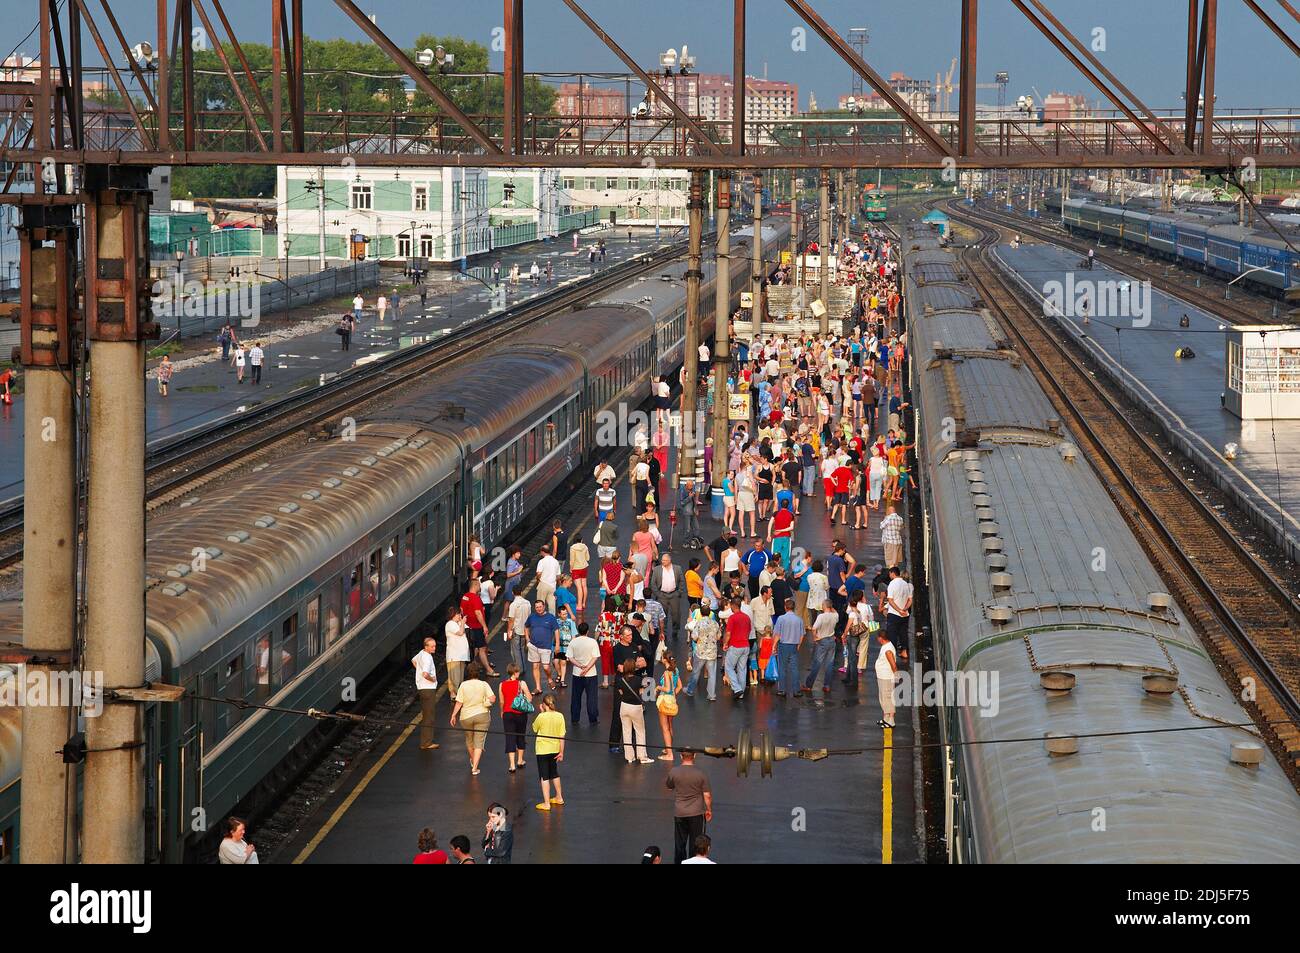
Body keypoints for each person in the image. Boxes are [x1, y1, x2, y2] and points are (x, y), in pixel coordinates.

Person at [666, 750, 712, 864]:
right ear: (694, 756)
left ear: (681, 756)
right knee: (695, 843)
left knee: (680, 843)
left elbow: (669, 786)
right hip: (696, 813)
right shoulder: (701, 773)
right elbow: (707, 795)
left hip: (680, 812)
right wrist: (709, 810)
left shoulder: (674, 771)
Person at [450, 662, 496, 776]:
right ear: (478, 673)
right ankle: (475, 768)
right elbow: (493, 698)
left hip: (466, 717)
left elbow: (459, 702)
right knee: (479, 742)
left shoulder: (463, 685)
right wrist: (487, 701)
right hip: (482, 715)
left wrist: (453, 715)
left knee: (469, 740)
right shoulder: (484, 684)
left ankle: (473, 760)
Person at [531, 694, 566, 811]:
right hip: (555, 749)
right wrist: (561, 752)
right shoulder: (560, 716)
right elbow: (562, 736)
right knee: (554, 773)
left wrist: (541, 713)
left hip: (542, 750)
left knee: (544, 776)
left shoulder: (542, 717)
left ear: (544, 705)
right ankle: (559, 797)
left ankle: (547, 803)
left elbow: (534, 728)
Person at [617, 657, 654, 764]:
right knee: (640, 731)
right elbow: (643, 689)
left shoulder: (620, 680)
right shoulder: (638, 680)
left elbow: (621, 693)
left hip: (624, 706)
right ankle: (642, 756)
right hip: (635, 707)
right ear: (634, 668)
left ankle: (629, 757)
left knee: (626, 731)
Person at [500, 663, 532, 773]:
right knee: (520, 736)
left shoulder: (502, 685)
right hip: (520, 713)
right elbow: (529, 697)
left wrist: (502, 711)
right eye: (518, 671)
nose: (519, 673)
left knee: (510, 737)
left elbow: (502, 701)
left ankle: (512, 765)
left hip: (507, 713)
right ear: (514, 672)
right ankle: (520, 760)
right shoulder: (521, 683)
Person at [567, 622, 600, 726]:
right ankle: (593, 719)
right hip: (591, 674)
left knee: (576, 697)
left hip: (577, 674)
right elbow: (595, 657)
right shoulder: (593, 642)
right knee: (592, 697)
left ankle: (575, 718)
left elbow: (570, 657)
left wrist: (580, 666)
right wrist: (586, 668)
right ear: (587, 631)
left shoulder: (573, 642)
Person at [803, 601, 838, 696]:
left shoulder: (821, 617)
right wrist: (831, 606)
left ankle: (809, 685)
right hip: (831, 640)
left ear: (824, 606)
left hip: (822, 640)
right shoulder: (835, 616)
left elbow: (814, 628)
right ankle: (827, 685)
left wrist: (815, 638)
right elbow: (835, 611)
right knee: (829, 664)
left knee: (817, 663)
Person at [685, 606, 720, 701]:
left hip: (701, 652)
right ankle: (712, 695)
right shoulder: (715, 624)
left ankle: (690, 690)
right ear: (709, 613)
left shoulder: (699, 623)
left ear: (700, 613)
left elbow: (695, 637)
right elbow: (718, 637)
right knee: (712, 674)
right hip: (712, 652)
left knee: (696, 672)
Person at [412, 633, 440, 750]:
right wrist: (432, 679)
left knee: (425, 715)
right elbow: (425, 674)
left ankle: (425, 741)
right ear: (426, 647)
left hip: (421, 688)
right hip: (428, 689)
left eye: (434, 646)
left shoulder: (421, 653)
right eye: (432, 646)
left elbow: (413, 661)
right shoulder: (428, 658)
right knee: (429, 716)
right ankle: (426, 743)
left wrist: (418, 670)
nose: (434, 648)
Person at [772, 599, 805, 697]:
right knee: (794, 668)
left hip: (783, 645)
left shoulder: (781, 619)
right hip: (794, 645)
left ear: (785, 607)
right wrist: (798, 645)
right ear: (793, 608)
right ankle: (796, 690)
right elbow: (802, 635)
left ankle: (782, 690)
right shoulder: (799, 619)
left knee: (782, 668)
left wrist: (773, 646)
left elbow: (777, 634)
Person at [525, 599, 560, 691]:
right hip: (533, 646)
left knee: (546, 667)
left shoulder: (551, 617)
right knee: (535, 666)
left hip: (546, 647)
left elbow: (556, 630)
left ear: (544, 606)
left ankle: (549, 679)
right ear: (535, 608)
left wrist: (557, 645)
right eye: (537, 607)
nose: (539, 609)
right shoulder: (532, 617)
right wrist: (527, 639)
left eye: (540, 607)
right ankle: (538, 687)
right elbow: (526, 626)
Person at [722, 598, 751, 701]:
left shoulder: (732, 618)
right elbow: (749, 631)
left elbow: (728, 633)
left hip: (735, 646)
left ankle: (737, 688)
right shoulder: (747, 617)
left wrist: (725, 643)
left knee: (729, 667)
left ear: (733, 606)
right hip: (746, 645)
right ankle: (741, 693)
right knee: (742, 669)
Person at [650, 553, 683, 643]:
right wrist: (658, 594)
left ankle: (675, 630)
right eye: (662, 560)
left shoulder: (677, 568)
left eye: (664, 560)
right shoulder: (657, 570)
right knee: (663, 615)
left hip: (674, 595)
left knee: (676, 615)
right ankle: (663, 632)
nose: (662, 561)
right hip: (662, 595)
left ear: (669, 561)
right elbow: (653, 584)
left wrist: (679, 592)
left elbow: (681, 582)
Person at [655, 653, 682, 761]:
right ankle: (668, 748)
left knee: (665, 728)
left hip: (664, 701)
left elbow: (667, 688)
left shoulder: (667, 672)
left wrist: (658, 687)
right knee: (670, 726)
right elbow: (679, 686)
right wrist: (673, 695)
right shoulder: (676, 670)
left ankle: (669, 754)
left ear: (665, 660)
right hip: (672, 701)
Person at [885, 565, 913, 662]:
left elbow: (890, 600)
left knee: (892, 634)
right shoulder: (906, 584)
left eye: (889, 574)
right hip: (905, 615)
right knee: (903, 633)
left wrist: (898, 610)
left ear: (893, 573)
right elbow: (910, 600)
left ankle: (892, 655)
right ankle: (904, 651)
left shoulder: (892, 584)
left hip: (894, 614)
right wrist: (904, 609)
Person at [875, 630, 899, 729]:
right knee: (883, 698)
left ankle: (891, 721)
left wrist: (896, 675)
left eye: (878, 637)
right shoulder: (886, 646)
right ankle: (886, 718)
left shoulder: (888, 650)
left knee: (888, 698)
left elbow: (893, 665)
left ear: (881, 638)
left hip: (887, 677)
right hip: (883, 676)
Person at [568, 536, 590, 613]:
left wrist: (571, 568)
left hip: (576, 568)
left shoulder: (572, 548)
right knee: (584, 585)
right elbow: (587, 558)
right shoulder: (585, 546)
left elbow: (572, 560)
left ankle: (579, 605)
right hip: (584, 567)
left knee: (579, 587)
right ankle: (583, 603)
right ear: (581, 539)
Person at [880, 506, 905, 570]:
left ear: (889, 511)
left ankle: (891, 577)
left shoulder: (888, 518)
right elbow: (901, 528)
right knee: (896, 562)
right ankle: (895, 576)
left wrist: (885, 518)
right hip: (898, 542)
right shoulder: (900, 519)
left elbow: (881, 526)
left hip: (890, 542)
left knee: (890, 562)